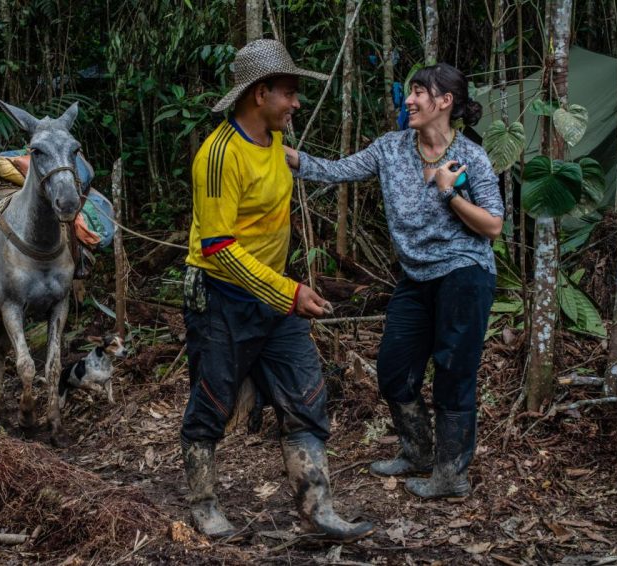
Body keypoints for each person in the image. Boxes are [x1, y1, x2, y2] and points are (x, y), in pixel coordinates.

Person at [180, 38, 374, 542]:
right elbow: (219, 247)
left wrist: (283, 294)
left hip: (275, 300)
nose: (296, 103)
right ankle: (202, 504)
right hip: (223, 299)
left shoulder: (274, 148)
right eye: (289, 93)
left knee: (305, 393)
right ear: (260, 93)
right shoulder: (219, 156)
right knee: (212, 401)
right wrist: (287, 291)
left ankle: (318, 508)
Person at [284, 63, 502, 499]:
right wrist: (277, 151)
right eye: (411, 91)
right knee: (394, 371)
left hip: (464, 274)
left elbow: (493, 226)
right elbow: (332, 170)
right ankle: (418, 452)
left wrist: (448, 192)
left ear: (444, 102)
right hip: (416, 277)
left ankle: (450, 475)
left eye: (420, 92)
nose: (410, 99)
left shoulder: (472, 158)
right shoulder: (391, 148)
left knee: (453, 374)